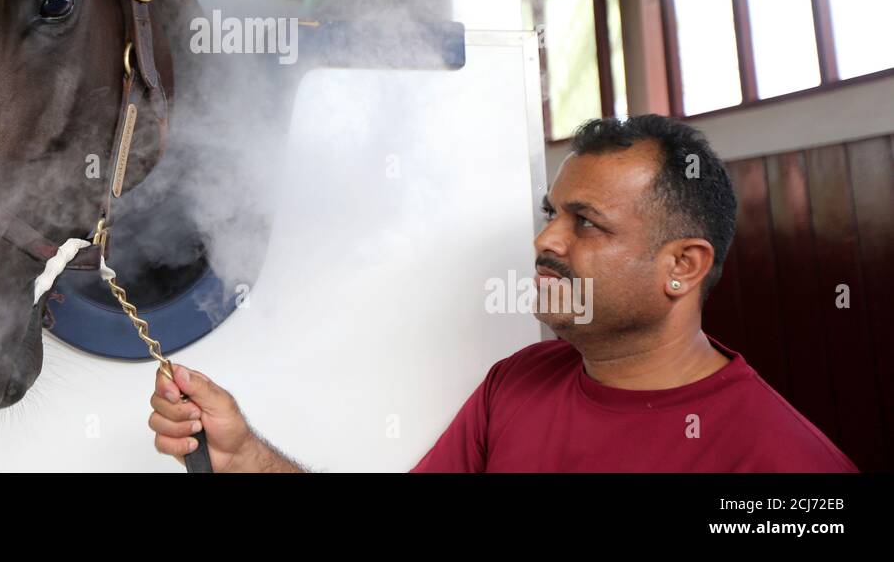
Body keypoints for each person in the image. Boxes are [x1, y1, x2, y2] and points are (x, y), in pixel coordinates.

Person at [148, 115, 859, 472]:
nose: (546, 242)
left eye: (588, 224)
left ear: (683, 265)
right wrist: (244, 454)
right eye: (554, 214)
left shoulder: (782, 462)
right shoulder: (516, 386)